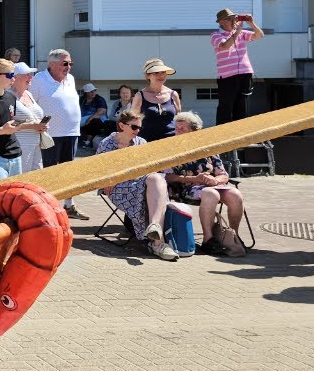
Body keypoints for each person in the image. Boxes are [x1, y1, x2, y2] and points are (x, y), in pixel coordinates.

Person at [97, 110, 178, 261]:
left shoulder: (141, 142)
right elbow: (100, 171)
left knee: (157, 178)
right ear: (121, 125)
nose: (138, 131)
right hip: (117, 186)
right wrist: (110, 178)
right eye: (134, 127)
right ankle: (158, 244)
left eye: (140, 128)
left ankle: (155, 227)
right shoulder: (107, 144)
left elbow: (148, 167)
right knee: (154, 185)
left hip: (139, 180)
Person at [165, 111, 244, 256]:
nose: (177, 131)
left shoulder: (207, 148)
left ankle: (233, 236)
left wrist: (215, 180)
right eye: (176, 128)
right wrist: (194, 179)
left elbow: (223, 174)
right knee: (211, 193)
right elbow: (168, 177)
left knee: (235, 195)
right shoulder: (170, 148)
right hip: (184, 188)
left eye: (182, 129)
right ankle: (208, 240)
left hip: (211, 185)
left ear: (194, 131)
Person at [30, 49, 89, 220]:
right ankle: (49, 207)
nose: (68, 67)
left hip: (71, 133)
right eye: (65, 63)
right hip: (50, 134)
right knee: (50, 172)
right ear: (52, 64)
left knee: (68, 171)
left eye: (70, 63)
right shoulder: (39, 80)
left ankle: (69, 206)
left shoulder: (70, 79)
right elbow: (29, 104)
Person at [212, 8, 264, 125]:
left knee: (241, 105)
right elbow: (225, 45)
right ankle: (222, 133)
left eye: (234, 18)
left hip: (245, 73)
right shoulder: (216, 35)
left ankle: (238, 132)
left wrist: (251, 23)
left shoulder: (240, 33)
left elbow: (260, 35)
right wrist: (238, 31)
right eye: (230, 19)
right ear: (221, 22)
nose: (233, 21)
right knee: (226, 106)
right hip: (227, 76)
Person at [10, 62, 48, 175]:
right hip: (20, 146)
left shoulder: (28, 94)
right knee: (21, 179)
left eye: (31, 74)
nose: (31, 77)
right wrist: (33, 126)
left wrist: (42, 125)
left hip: (36, 144)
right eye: (27, 74)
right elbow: (6, 123)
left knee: (37, 177)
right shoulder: (8, 96)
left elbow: (34, 116)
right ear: (15, 77)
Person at [132, 58, 181, 142]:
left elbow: (179, 119)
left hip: (172, 140)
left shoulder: (173, 94)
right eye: (156, 73)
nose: (161, 76)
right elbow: (133, 121)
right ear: (148, 76)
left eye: (163, 72)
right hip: (147, 142)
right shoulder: (139, 96)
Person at [78, 83, 109, 149]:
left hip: (99, 119)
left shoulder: (99, 99)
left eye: (94, 90)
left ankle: (88, 142)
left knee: (94, 121)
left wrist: (90, 118)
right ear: (86, 92)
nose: (93, 93)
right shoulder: (82, 99)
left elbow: (102, 111)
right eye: (91, 91)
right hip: (82, 119)